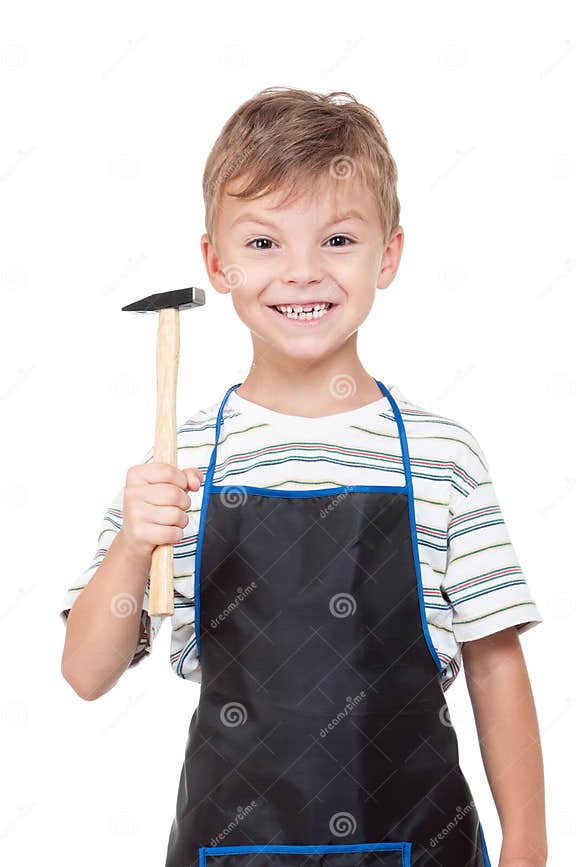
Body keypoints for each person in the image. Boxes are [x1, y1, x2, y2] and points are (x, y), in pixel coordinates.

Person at [59, 87, 547, 867]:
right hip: (231, 850)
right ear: (215, 262)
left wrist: (527, 846)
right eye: (262, 244)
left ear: (388, 254)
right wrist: (130, 548)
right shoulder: (177, 467)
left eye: (338, 239)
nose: (301, 273)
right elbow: (86, 673)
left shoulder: (442, 455)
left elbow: (495, 661)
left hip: (421, 847)